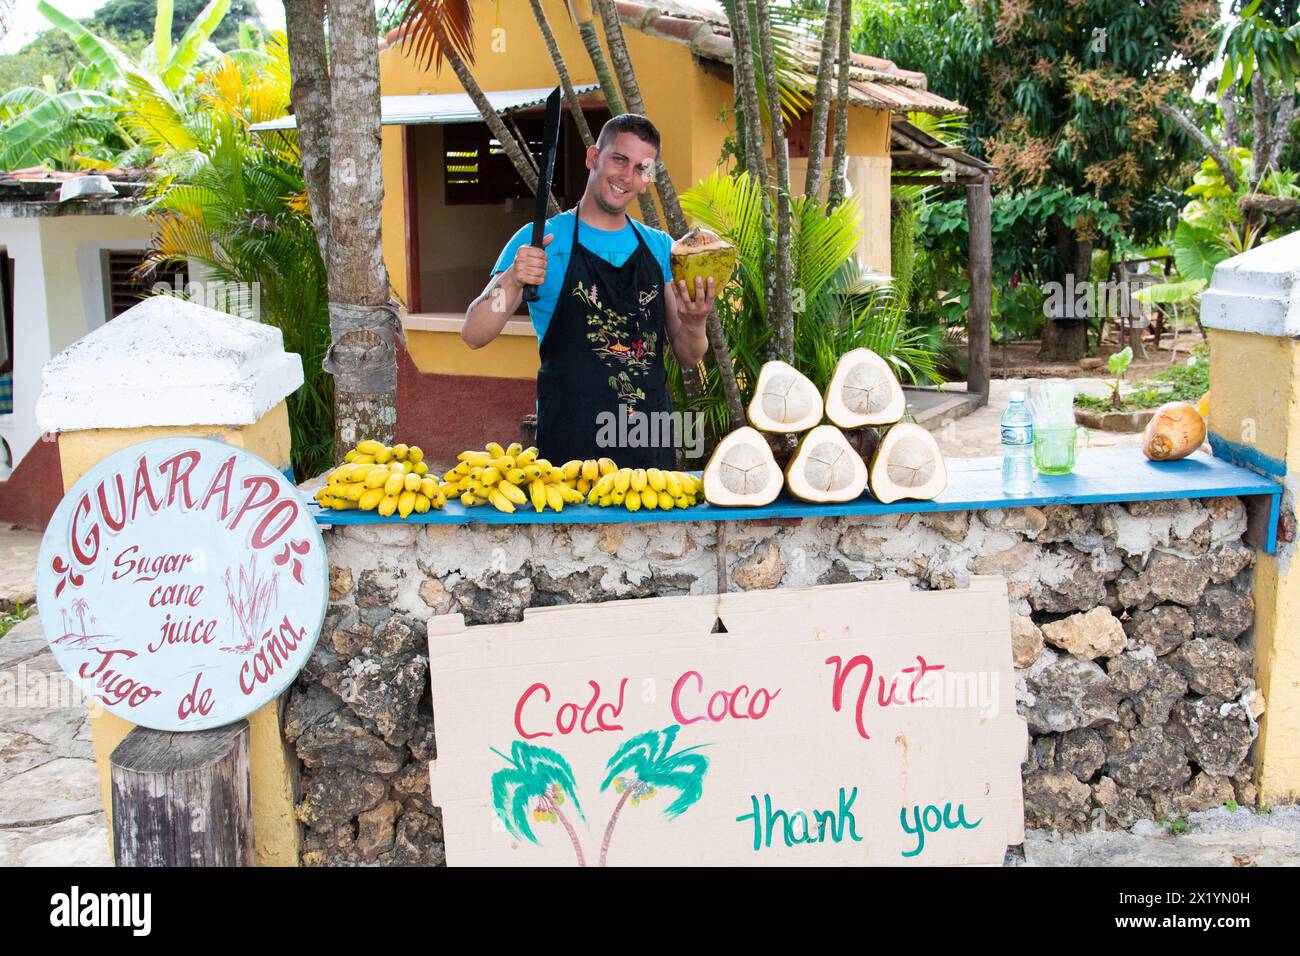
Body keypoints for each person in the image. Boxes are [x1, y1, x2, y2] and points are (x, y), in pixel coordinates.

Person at [463, 113, 715, 469]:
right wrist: (512, 280)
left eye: (641, 168)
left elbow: (690, 355)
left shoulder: (659, 247)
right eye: (619, 159)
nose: (627, 177)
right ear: (593, 157)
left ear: (647, 180)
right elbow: (474, 333)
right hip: (570, 450)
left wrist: (695, 322)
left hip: (649, 447)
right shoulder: (541, 240)